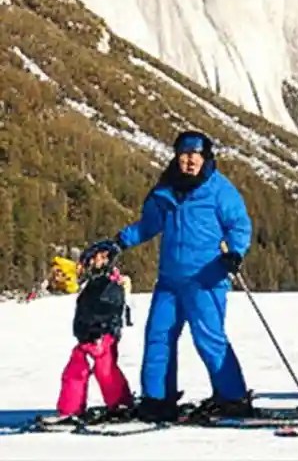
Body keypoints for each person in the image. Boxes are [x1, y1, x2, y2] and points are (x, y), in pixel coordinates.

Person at [103, 130, 254, 422]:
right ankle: (157, 400)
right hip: (170, 280)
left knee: (208, 338)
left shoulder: (219, 190)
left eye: (195, 155)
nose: (189, 161)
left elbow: (239, 224)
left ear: (206, 157)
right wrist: (119, 242)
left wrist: (235, 252)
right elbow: (148, 225)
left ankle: (233, 397)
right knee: (158, 336)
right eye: (184, 154)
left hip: (207, 278)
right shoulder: (166, 189)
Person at [46, 241, 134, 424]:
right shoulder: (93, 283)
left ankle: (120, 403)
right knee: (75, 370)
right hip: (88, 336)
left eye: (103, 257)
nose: (98, 261)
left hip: (104, 335)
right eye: (95, 258)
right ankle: (70, 408)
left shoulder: (111, 283)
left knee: (105, 369)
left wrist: (102, 328)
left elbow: (111, 307)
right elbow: (84, 307)